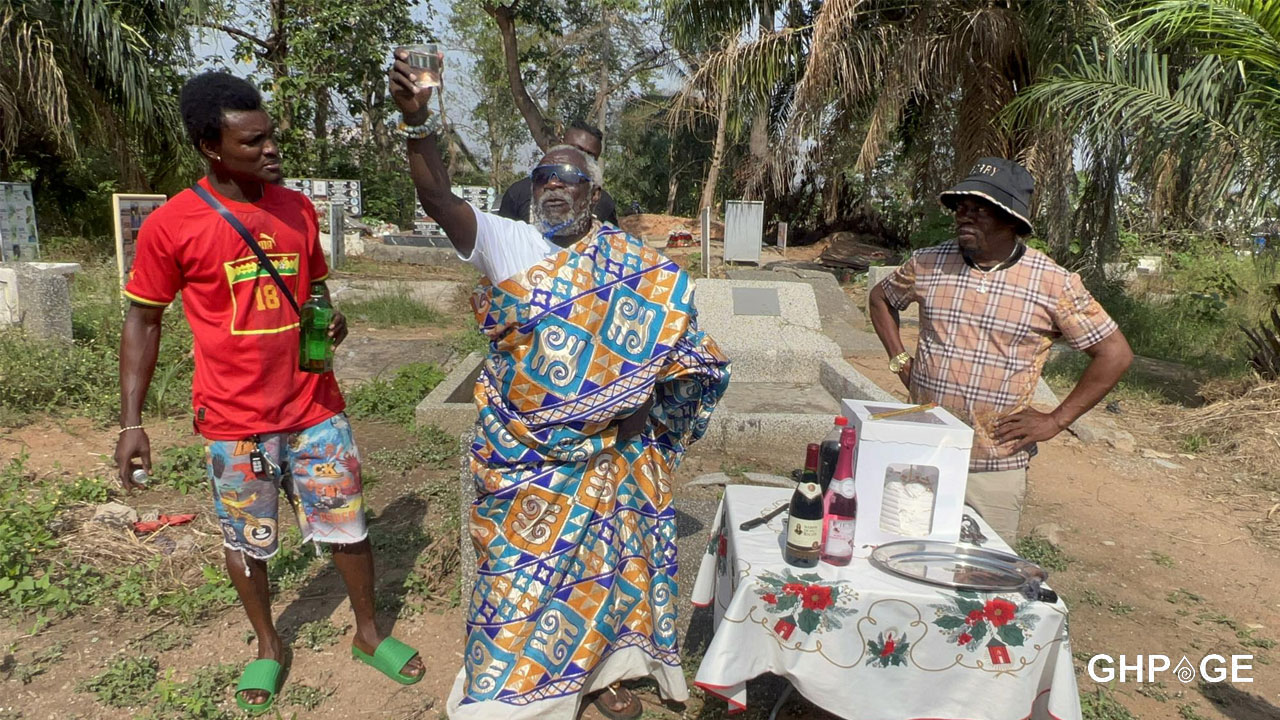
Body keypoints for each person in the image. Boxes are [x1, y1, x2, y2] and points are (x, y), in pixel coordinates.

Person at [389, 53, 730, 720]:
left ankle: (602, 674)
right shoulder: (509, 245)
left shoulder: (634, 265)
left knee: (603, 574)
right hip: (522, 456)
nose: (552, 188)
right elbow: (438, 199)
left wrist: (643, 411)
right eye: (542, 177)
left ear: (592, 195)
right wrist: (417, 125)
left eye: (568, 180)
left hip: (607, 459)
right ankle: (503, 693)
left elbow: (688, 351)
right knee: (512, 584)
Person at [114, 71, 424, 715]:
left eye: (270, 135)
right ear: (211, 146)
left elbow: (315, 285)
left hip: (315, 407)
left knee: (347, 523)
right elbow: (143, 320)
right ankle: (268, 644)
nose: (271, 149)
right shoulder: (173, 224)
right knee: (246, 538)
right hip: (234, 420)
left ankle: (368, 633)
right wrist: (131, 423)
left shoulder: (296, 208)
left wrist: (330, 317)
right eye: (252, 141)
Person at [867, 157, 1133, 541]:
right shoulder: (928, 264)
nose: (964, 215)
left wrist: (1056, 421)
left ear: (1011, 220)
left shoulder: (1053, 284)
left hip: (993, 467)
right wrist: (900, 360)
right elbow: (881, 298)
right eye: (961, 206)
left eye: (980, 209)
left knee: (981, 571)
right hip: (923, 452)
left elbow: (1115, 354)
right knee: (904, 551)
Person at [497, 120, 620, 226]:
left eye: (590, 156)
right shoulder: (519, 193)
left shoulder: (603, 202)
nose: (580, 158)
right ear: (561, 144)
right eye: (575, 149)